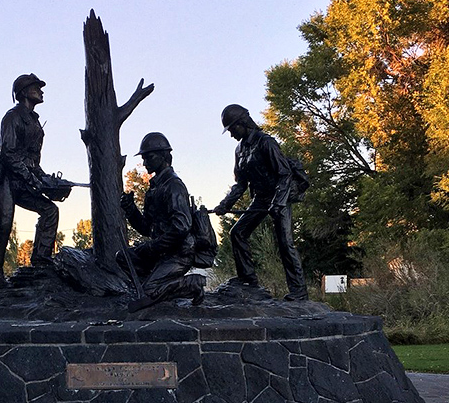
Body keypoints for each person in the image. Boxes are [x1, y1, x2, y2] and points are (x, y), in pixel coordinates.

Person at [212, 104, 308, 301]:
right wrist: (225, 204)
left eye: (232, 129)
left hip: (279, 196)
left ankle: (299, 291)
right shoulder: (239, 150)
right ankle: (247, 278)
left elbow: (284, 174)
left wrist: (278, 203)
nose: (231, 134)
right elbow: (241, 184)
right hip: (260, 198)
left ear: (242, 123)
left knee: (285, 242)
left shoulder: (266, 142)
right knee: (238, 232)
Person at [0, 73, 68, 289]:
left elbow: (33, 161)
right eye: (36, 88)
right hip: (6, 179)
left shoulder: (35, 122)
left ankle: (41, 260)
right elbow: (8, 154)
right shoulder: (12, 117)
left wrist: (48, 181)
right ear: (23, 92)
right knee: (3, 225)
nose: (41, 91)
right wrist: (33, 179)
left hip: (24, 178)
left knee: (50, 211)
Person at [120, 132, 205, 310]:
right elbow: (146, 228)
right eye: (143, 158)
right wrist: (131, 210)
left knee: (151, 291)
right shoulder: (154, 189)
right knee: (123, 257)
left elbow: (181, 228)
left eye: (149, 157)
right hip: (160, 252)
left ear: (164, 156)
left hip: (178, 253)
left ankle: (191, 284)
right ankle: (155, 288)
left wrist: (152, 246)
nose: (145, 163)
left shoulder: (174, 185)